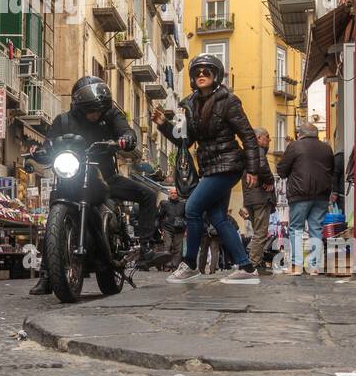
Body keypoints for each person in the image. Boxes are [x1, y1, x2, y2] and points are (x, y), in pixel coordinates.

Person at [27, 76, 155, 296]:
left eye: (99, 110)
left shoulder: (111, 115)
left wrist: (126, 137)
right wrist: (38, 152)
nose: (95, 114)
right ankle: (47, 275)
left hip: (106, 178)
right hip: (71, 178)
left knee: (149, 194)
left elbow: (125, 130)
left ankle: (145, 247)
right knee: (53, 216)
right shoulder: (63, 121)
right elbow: (48, 143)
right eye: (90, 110)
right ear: (79, 106)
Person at [153, 53, 264, 283]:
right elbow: (186, 140)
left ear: (215, 75)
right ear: (193, 78)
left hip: (228, 165)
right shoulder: (192, 104)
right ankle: (246, 268)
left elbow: (248, 136)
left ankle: (190, 264)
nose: (201, 75)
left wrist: (253, 169)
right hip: (209, 168)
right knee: (217, 218)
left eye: (207, 71)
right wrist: (164, 126)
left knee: (192, 208)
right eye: (197, 72)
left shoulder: (228, 101)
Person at [277, 123, 335, 273]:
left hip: (300, 194)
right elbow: (332, 170)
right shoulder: (327, 148)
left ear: (299, 134)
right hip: (322, 195)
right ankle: (314, 267)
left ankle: (296, 266)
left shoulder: (295, 146)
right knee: (316, 229)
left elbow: (281, 170)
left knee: (296, 229)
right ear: (316, 134)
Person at [239, 128, 276, 274]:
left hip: (251, 197)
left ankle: (256, 262)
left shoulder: (248, 152)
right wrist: (270, 180)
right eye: (267, 137)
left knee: (257, 232)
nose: (269, 140)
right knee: (261, 233)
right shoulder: (258, 151)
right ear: (259, 137)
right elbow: (261, 166)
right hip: (260, 196)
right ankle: (252, 265)